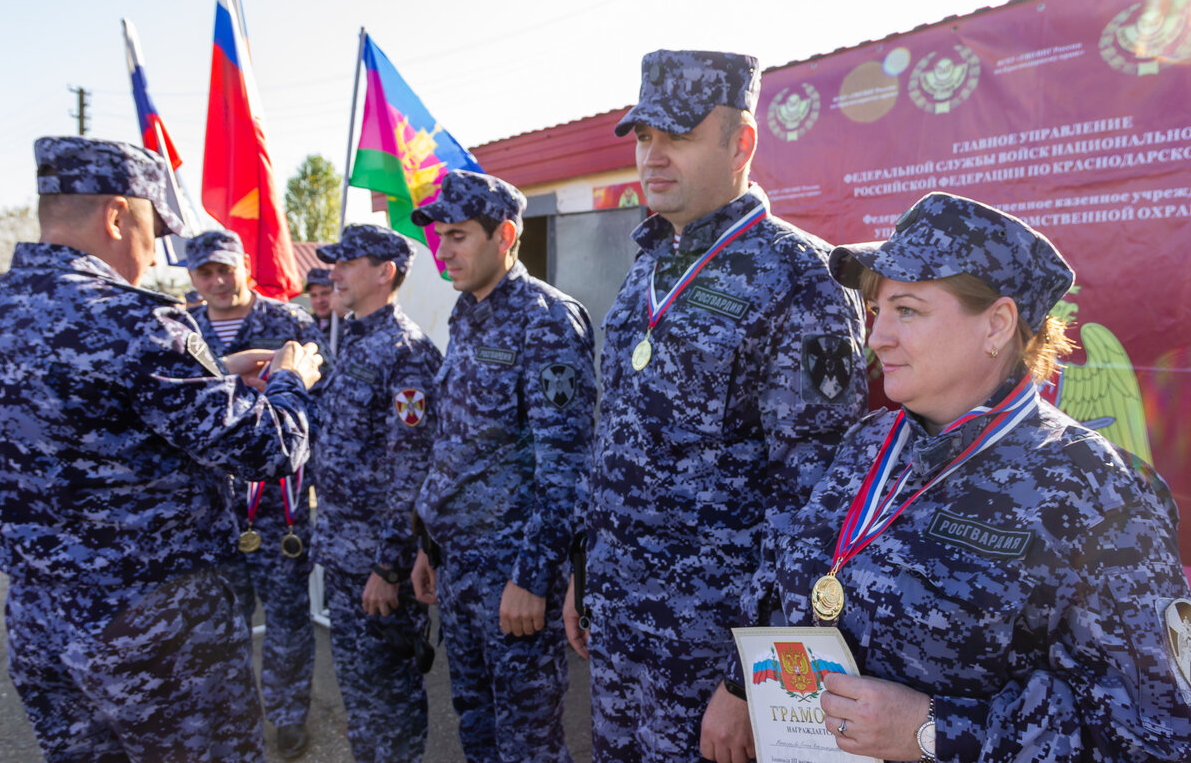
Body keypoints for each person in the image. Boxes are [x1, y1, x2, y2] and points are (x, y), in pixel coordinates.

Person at [708, 191, 1191, 762]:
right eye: (876, 312)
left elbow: (1157, 735)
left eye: (907, 310)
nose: (876, 338)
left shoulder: (1096, 492)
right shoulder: (869, 443)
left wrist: (932, 729)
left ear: (997, 324)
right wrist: (739, 682)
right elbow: (789, 578)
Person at [567, 50, 868, 762]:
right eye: (643, 137)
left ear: (742, 144)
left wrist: (747, 681)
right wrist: (589, 570)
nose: (654, 156)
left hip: (712, 658)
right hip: (622, 631)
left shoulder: (801, 279)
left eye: (678, 135)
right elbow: (618, 439)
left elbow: (815, 503)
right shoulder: (649, 264)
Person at [0, 136, 322, 762]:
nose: (150, 255)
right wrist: (289, 380)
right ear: (117, 215)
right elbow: (267, 449)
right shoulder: (136, 319)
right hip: (153, 627)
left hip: (39, 618)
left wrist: (212, 370)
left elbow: (80, 405)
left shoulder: (0, 310)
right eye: (150, 230)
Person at [410, 171, 596, 762]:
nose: (444, 251)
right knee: (478, 730)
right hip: (459, 569)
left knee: (529, 744)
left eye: (459, 236)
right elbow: (457, 447)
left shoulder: (546, 319)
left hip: (512, 579)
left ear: (505, 234)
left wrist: (533, 576)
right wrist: (429, 545)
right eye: (440, 237)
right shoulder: (466, 315)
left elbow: (567, 464)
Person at [186, 229, 326, 759]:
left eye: (225, 268)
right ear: (193, 277)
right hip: (209, 513)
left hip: (279, 510)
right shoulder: (186, 330)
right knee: (220, 624)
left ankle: (290, 716)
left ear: (245, 263)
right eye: (205, 273)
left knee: (288, 619)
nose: (218, 281)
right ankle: (233, 716)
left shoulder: (289, 325)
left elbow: (324, 408)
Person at [311, 223, 441, 763]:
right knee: (362, 701)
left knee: (389, 704)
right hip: (344, 557)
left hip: (376, 567)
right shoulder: (353, 340)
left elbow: (410, 471)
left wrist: (389, 567)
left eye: (347, 262)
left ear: (385, 272)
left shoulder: (405, 352)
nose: (333, 272)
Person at [303, 266, 336, 334]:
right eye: (313, 295)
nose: (319, 301)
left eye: (325, 293)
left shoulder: (349, 326)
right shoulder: (305, 326)